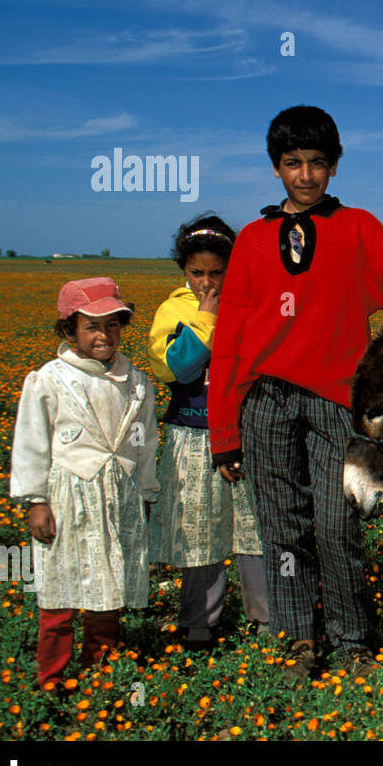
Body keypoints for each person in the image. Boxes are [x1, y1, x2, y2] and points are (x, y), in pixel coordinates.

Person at [208, 105, 383, 680]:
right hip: (264, 404)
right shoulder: (253, 241)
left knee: (337, 525)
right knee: (283, 528)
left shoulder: (359, 229)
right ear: (275, 167)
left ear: (334, 167)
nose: (305, 176)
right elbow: (229, 339)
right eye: (292, 163)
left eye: (317, 164)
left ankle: (354, 643)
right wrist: (224, 430)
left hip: (337, 403)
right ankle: (299, 641)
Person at [10, 278, 158, 691]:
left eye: (113, 325)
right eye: (92, 326)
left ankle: (101, 670)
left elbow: (144, 441)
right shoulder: (49, 380)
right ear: (69, 330)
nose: (104, 335)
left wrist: (146, 490)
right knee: (60, 589)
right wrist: (36, 501)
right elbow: (31, 443)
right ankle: (51, 678)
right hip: (68, 496)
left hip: (120, 494)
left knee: (108, 587)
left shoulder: (136, 382)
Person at [147, 215, 268, 650]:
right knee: (200, 531)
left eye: (217, 272)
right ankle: (199, 624)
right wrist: (206, 315)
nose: (206, 282)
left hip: (247, 433)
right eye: (197, 273)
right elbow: (180, 367)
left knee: (254, 529)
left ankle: (267, 621)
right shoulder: (174, 309)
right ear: (184, 270)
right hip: (194, 435)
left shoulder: (253, 301)